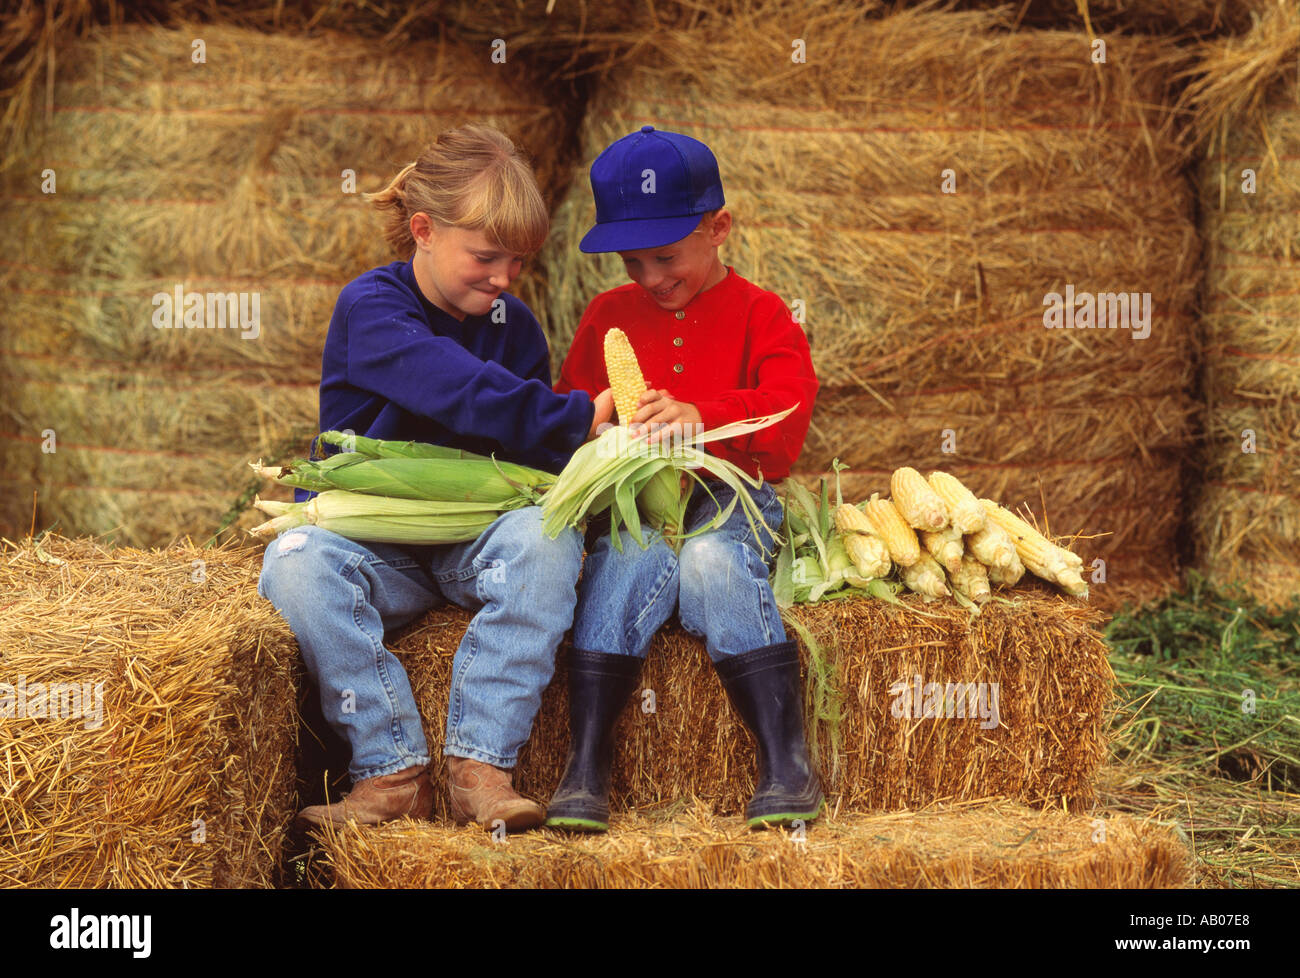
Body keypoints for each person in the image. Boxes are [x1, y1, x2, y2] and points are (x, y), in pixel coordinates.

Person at [257, 124, 614, 833]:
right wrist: (571, 418)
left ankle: (481, 767)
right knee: (293, 565)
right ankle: (390, 772)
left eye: (517, 261)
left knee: (548, 539)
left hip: (466, 546)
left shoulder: (516, 328)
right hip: (373, 542)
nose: (504, 278)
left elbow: (523, 471)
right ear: (423, 229)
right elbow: (454, 386)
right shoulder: (374, 309)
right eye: (485, 257)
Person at [547, 125, 823, 832]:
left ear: (718, 227)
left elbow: (788, 414)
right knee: (624, 559)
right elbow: (571, 405)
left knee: (710, 559)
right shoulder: (608, 315)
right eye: (632, 261)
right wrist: (596, 432)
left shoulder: (764, 315)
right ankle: (586, 763)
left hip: (732, 495)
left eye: (666, 257)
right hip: (636, 504)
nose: (649, 278)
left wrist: (703, 415)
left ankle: (785, 760)